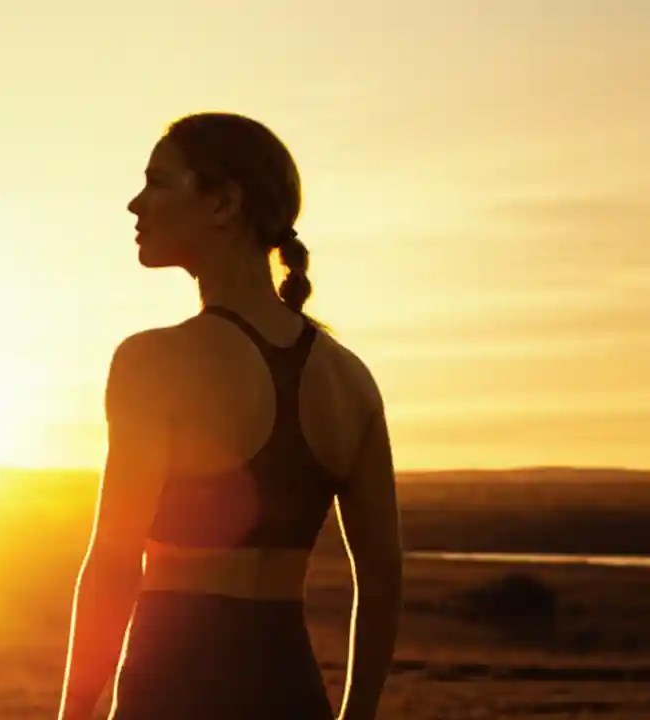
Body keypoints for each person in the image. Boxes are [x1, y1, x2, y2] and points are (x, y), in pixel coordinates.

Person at [56, 112, 403, 719]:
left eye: (159, 182)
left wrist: (75, 713)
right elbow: (381, 578)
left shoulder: (152, 361)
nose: (135, 204)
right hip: (292, 695)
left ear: (223, 203)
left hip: (171, 693)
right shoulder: (351, 380)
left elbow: (113, 560)